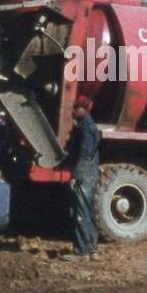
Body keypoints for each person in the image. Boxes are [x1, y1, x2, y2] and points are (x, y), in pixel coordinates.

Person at [61, 95, 100, 261]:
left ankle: (81, 252)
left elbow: (84, 155)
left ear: (83, 109)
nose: (73, 111)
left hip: (83, 174)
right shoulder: (91, 127)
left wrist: (76, 176)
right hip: (90, 173)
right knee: (88, 211)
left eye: (76, 108)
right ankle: (92, 249)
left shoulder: (85, 128)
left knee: (80, 212)